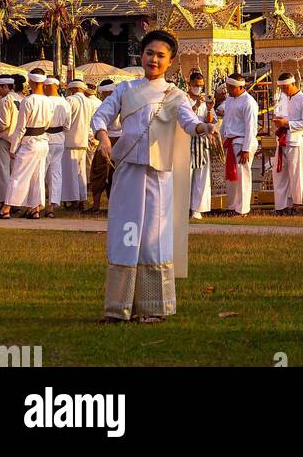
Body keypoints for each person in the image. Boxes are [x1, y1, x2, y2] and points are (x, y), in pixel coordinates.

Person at [91, 29, 219, 322]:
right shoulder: (125, 89)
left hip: (159, 175)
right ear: (142, 54)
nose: (153, 59)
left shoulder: (175, 95)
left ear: (170, 62)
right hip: (127, 172)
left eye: (161, 55)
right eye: (150, 53)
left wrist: (204, 128)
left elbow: (189, 122)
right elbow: (101, 115)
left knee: (153, 237)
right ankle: (118, 308)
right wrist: (103, 137)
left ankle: (153, 308)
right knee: (126, 235)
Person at [0, 70, 57, 219]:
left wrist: (13, 147)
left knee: (18, 175)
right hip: (43, 141)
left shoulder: (28, 100)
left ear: (31, 82)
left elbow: (20, 127)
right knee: (37, 176)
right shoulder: (48, 101)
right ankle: (34, 208)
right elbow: (49, 123)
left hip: (30, 142)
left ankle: (6, 208)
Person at [273, 72, 303, 214]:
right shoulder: (283, 98)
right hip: (283, 140)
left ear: (292, 84)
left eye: (285, 87)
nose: (283, 89)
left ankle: (297, 203)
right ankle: (281, 206)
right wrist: (279, 122)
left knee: (296, 173)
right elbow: (279, 115)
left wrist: (287, 123)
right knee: (279, 172)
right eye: (281, 87)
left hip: (297, 141)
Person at [220, 74, 260, 216]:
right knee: (232, 177)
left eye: (231, 87)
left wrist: (246, 149)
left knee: (243, 176)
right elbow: (226, 121)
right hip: (231, 142)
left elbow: (251, 128)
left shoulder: (249, 102)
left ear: (241, 87)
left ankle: (242, 209)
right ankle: (232, 207)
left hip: (243, 141)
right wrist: (221, 138)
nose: (228, 90)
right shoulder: (230, 99)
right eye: (228, 86)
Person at [62, 77, 99, 210]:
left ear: (72, 88)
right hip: (83, 140)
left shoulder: (70, 100)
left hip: (70, 140)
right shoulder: (89, 102)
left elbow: (66, 122)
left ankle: (73, 200)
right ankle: (82, 198)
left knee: (70, 172)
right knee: (81, 172)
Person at [88, 78, 120, 211]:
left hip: (109, 138)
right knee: (116, 174)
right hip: (120, 140)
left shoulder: (109, 101)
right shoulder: (122, 100)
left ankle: (96, 206)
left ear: (106, 91)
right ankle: (114, 206)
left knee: (98, 171)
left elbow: (97, 119)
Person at [0, 75, 20, 209]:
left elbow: (4, 123)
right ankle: (15, 202)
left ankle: (4, 204)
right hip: (16, 141)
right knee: (14, 174)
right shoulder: (19, 99)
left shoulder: (5, 101)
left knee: (2, 173)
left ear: (6, 86)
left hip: (3, 139)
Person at [41, 75, 70, 219]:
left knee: (41, 173)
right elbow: (67, 125)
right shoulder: (65, 102)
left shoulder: (45, 101)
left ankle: (36, 205)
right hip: (59, 140)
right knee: (55, 174)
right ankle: (50, 207)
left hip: (45, 139)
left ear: (48, 86)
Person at [186, 70, 214, 220]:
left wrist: (209, 108)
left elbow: (210, 120)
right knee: (186, 176)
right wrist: (196, 105)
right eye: (196, 85)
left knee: (201, 176)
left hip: (202, 142)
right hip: (187, 142)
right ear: (189, 84)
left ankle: (198, 208)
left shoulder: (205, 100)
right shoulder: (184, 99)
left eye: (201, 86)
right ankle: (183, 207)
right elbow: (185, 117)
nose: (198, 88)